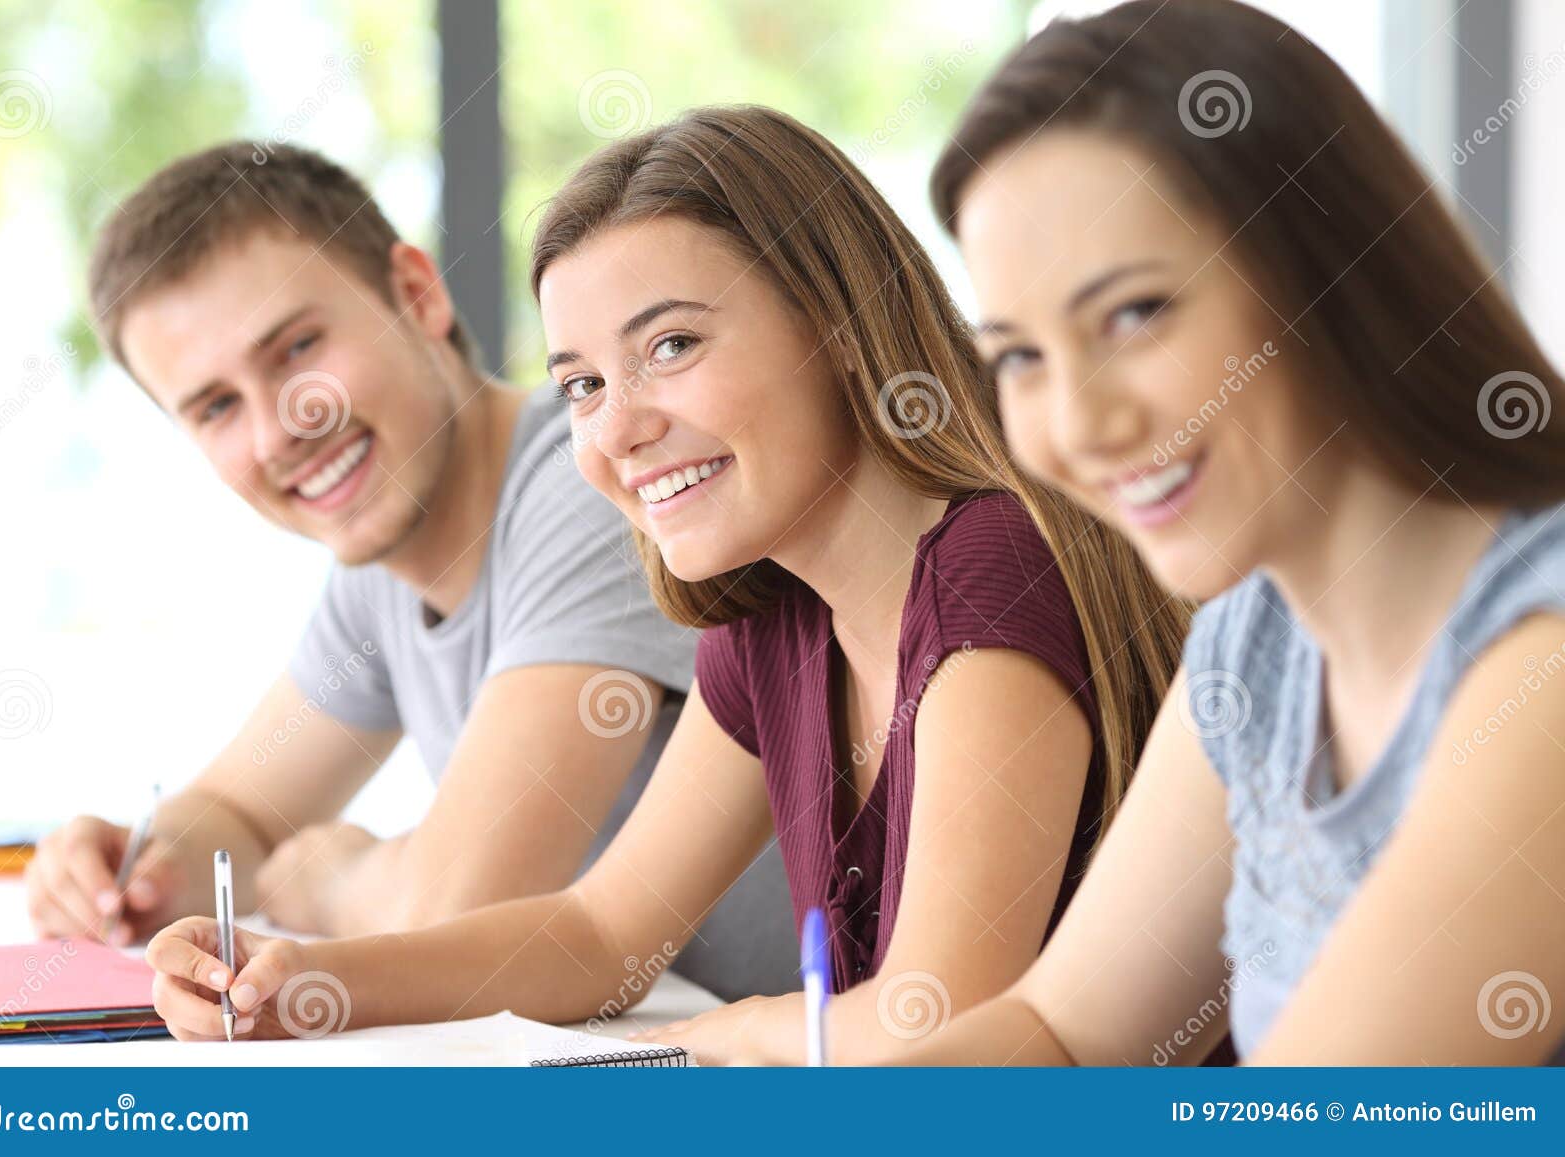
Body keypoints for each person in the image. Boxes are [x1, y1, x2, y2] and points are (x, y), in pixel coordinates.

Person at [143, 106, 1188, 1062]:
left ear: (835, 321)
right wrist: (305, 981)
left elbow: (936, 1014)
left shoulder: (986, 572)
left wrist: (727, 1031)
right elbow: (606, 929)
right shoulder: (767, 611)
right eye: (583, 383)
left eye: (672, 344)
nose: (614, 429)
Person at [905, 0, 1565, 1065]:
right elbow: (1060, 1034)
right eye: (1018, 354)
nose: (1079, 426)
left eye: (1133, 314)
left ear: (1326, 273)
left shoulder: (1541, 660)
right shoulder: (1255, 634)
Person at [28, 141, 797, 1001]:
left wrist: (335, 881)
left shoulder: (601, 483)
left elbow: (457, 904)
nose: (280, 429)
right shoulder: (383, 559)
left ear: (418, 293)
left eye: (296, 348)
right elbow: (240, 813)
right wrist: (136, 866)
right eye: (215, 406)